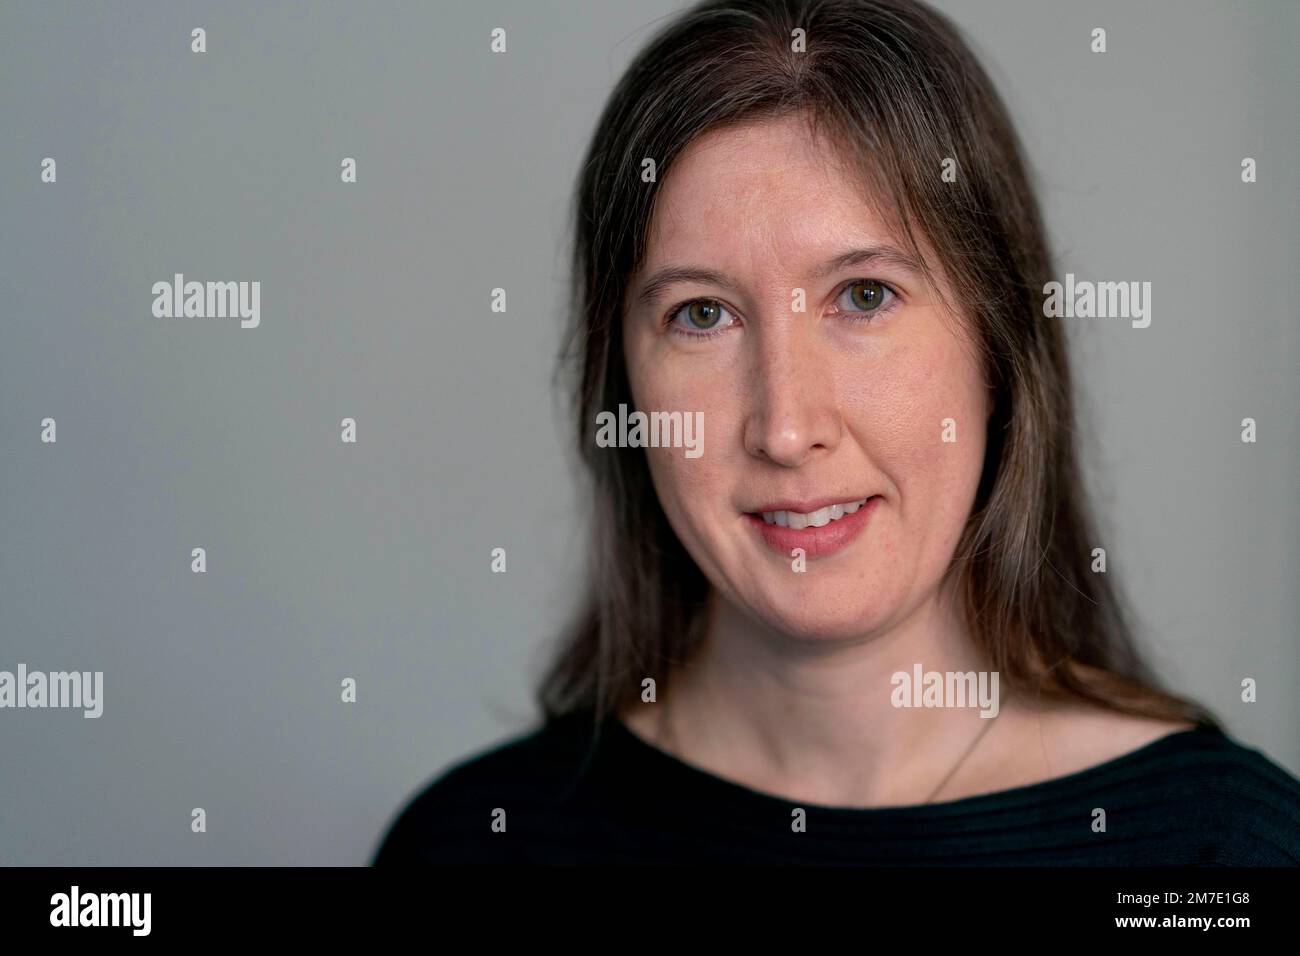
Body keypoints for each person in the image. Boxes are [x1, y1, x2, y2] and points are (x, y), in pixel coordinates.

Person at [375, 0, 1300, 865]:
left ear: (998, 350)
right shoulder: (472, 845)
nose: (786, 427)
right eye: (702, 315)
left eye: (864, 297)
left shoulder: (1220, 853)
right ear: (622, 385)